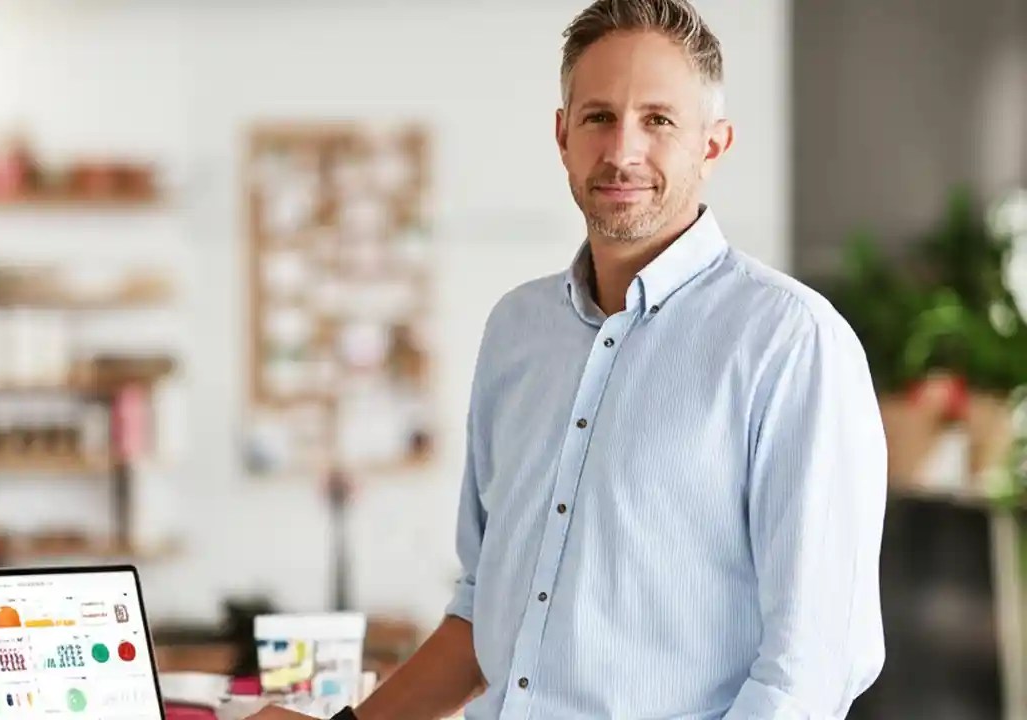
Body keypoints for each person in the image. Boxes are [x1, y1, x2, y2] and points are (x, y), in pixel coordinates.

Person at [251, 0, 887, 717]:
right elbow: (480, 615)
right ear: (562, 134)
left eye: (658, 120)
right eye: (598, 118)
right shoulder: (518, 332)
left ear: (713, 145)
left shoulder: (790, 343)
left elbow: (809, 670)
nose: (622, 151)